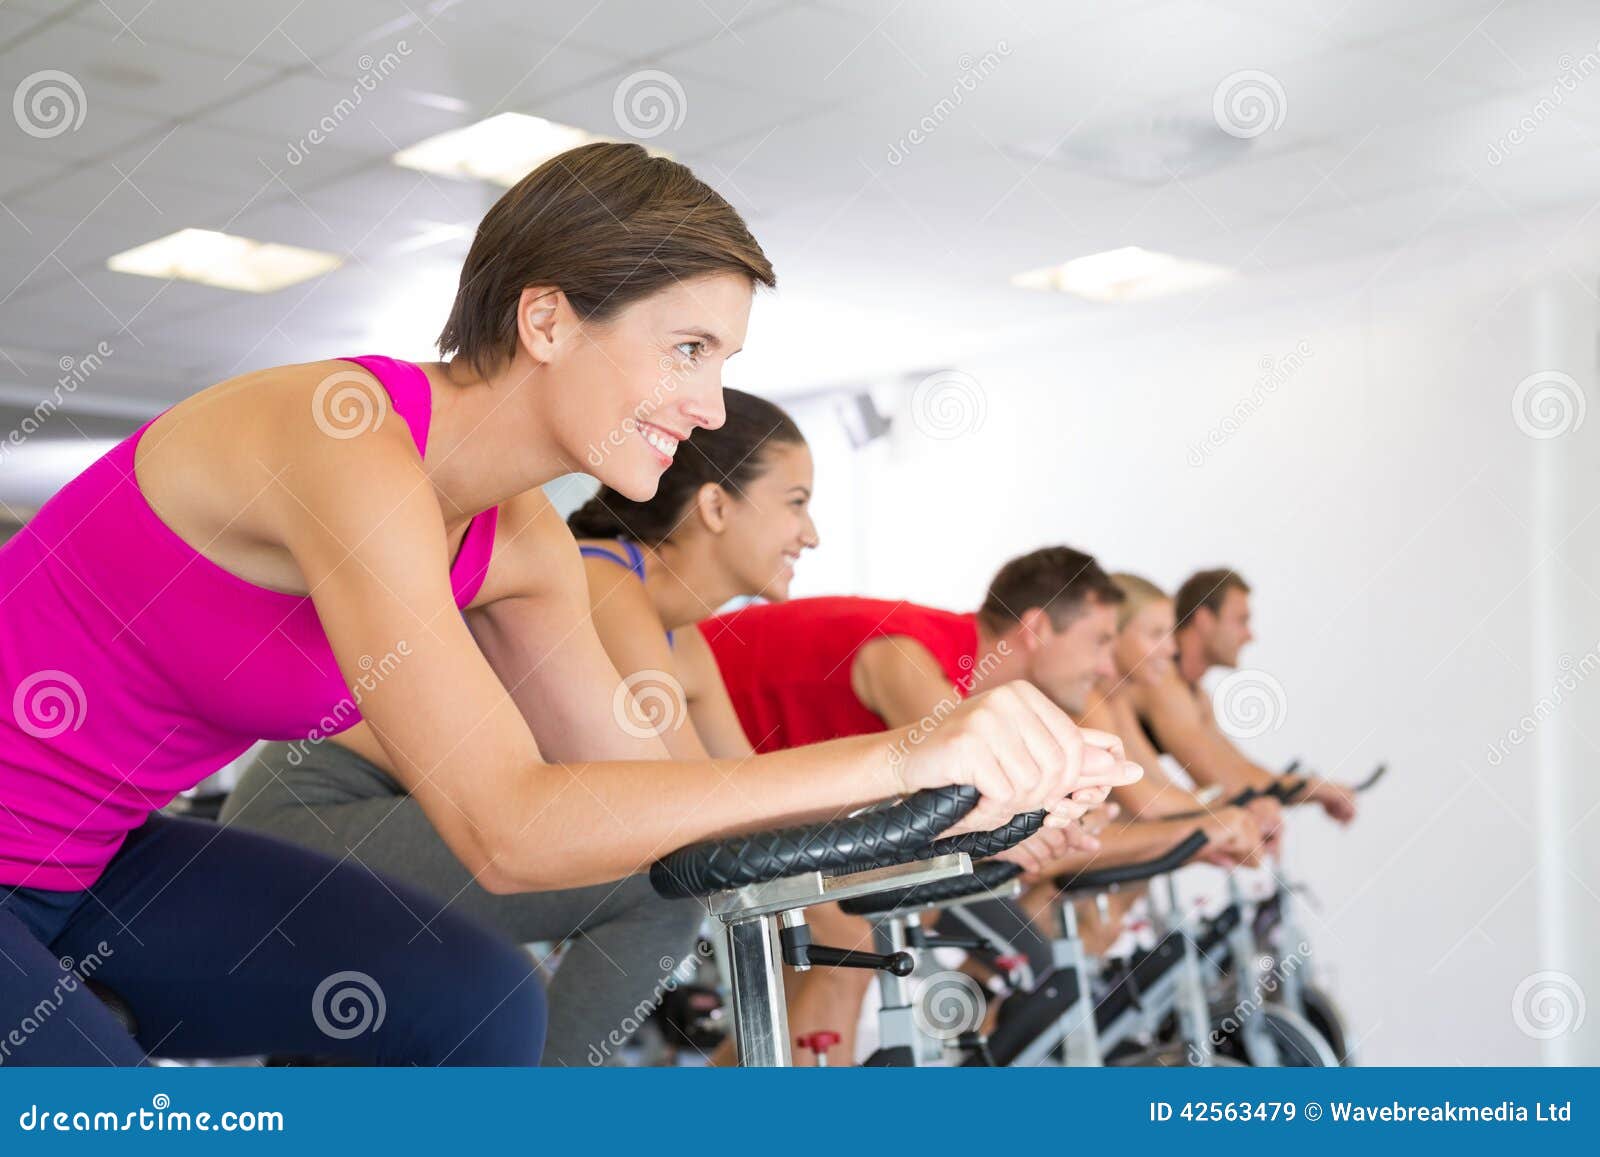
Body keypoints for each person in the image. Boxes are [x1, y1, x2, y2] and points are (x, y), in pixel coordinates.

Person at [0, 141, 1128, 1067]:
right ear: (545, 322)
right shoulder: (342, 437)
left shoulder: (522, 539)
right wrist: (905, 753)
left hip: (95, 864)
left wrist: (940, 808)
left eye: (722, 360)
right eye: (686, 349)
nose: (708, 404)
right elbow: (511, 830)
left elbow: (651, 804)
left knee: (477, 1000)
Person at [222, 387, 815, 1065]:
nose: (812, 533)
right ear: (715, 506)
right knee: (662, 887)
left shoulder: (682, 639)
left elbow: (745, 800)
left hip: (401, 825)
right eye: (797, 502)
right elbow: (685, 811)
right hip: (310, 821)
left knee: (509, 1007)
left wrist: (882, 813)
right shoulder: (604, 584)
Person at [700, 545, 1137, 1061]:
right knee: (846, 947)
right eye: (1100, 641)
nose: (1107, 666)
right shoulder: (913, 652)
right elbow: (970, 787)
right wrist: (1042, 822)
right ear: (1036, 628)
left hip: (753, 801)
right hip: (689, 776)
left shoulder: (952, 664)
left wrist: (1049, 817)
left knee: (823, 962)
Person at [1125, 568, 1357, 824]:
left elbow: (1236, 768)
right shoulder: (1163, 684)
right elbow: (1223, 782)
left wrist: (1312, 789)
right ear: (1204, 620)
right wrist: (1312, 788)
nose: (1249, 635)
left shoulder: (1196, 695)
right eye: (1241, 621)